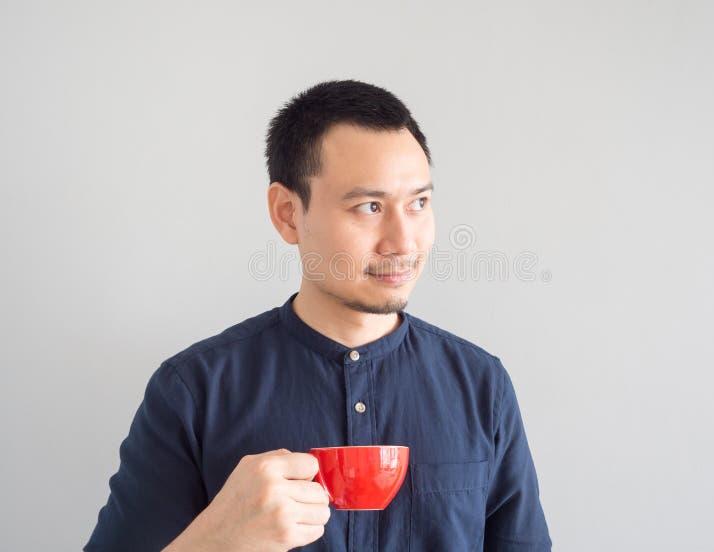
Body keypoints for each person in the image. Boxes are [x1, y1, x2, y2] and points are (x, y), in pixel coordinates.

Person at [85, 79, 552, 551]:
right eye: (369, 207)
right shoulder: (193, 392)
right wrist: (214, 542)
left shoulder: (482, 386)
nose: (405, 242)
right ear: (288, 214)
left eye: (419, 203)